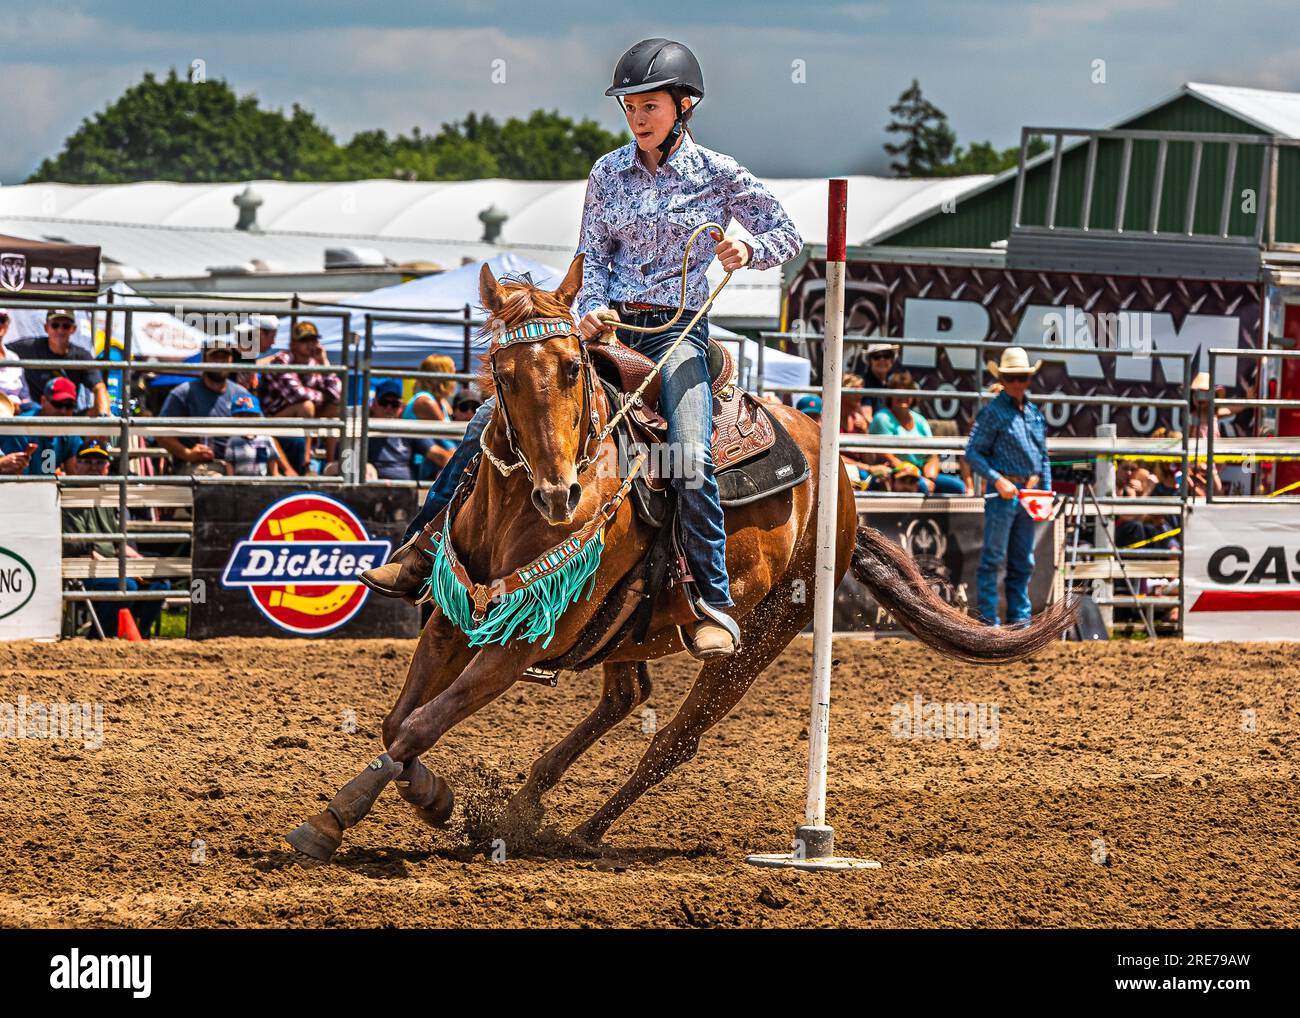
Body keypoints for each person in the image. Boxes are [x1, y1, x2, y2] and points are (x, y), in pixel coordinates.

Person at [363, 38, 802, 659]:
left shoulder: (719, 175)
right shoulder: (607, 172)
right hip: (609, 332)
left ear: (683, 106)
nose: (637, 118)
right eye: (630, 107)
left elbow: (786, 231)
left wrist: (748, 250)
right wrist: (590, 305)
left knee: (688, 454)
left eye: (649, 105)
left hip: (678, 333)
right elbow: (592, 255)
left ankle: (712, 601)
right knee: (491, 420)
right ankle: (419, 552)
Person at [965, 347, 1051, 627]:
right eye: (1012, 378)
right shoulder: (993, 413)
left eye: (1022, 378)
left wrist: (1046, 492)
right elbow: (973, 452)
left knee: (1022, 561)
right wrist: (998, 479)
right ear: (1002, 379)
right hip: (1006, 493)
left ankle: (1019, 622)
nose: (1018, 383)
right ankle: (991, 623)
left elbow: (1043, 456)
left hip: (1028, 494)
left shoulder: (1033, 413)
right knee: (994, 559)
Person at [62, 439, 166, 639]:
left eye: (100, 462)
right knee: (126, 585)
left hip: (110, 564)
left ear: (108, 466)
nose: (94, 467)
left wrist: (139, 562)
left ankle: (136, 638)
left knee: (159, 583)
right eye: (88, 461)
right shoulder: (70, 493)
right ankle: (99, 638)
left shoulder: (108, 495)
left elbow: (119, 542)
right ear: (76, 464)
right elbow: (79, 548)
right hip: (83, 566)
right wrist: (120, 567)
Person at [155, 336, 253, 474]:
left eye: (224, 357)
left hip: (240, 464)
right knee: (213, 480)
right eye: (215, 356)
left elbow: (262, 433)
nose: (220, 362)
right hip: (199, 465)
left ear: (231, 360)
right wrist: (188, 453)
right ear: (204, 359)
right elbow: (161, 434)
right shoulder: (183, 393)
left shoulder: (242, 394)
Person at [259, 320, 341, 465]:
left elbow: (336, 395)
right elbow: (298, 394)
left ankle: (330, 465)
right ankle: (306, 462)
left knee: (335, 408)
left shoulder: (315, 363)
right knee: (306, 406)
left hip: (302, 417)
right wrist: (323, 396)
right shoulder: (280, 361)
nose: (311, 345)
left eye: (314, 340)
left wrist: (324, 362)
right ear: (293, 344)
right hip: (273, 419)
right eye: (304, 340)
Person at [868, 371, 965, 494]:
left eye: (908, 392)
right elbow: (886, 455)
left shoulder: (920, 420)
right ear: (890, 395)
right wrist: (920, 477)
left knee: (957, 487)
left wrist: (930, 476)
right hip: (895, 473)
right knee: (923, 487)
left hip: (919, 473)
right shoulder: (882, 418)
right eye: (898, 392)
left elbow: (932, 455)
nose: (903, 396)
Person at [8, 309, 109, 416]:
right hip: (35, 416)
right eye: (55, 325)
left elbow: (99, 387)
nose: (60, 330)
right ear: (46, 328)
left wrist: (103, 416)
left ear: (73, 329)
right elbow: (3, 353)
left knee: (97, 415)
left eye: (66, 326)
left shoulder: (81, 356)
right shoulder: (28, 347)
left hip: (67, 415)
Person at [0, 377, 83, 476]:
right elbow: (16, 479)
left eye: (69, 406)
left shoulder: (70, 433)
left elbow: (74, 475)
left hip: (44, 489)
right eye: (57, 404)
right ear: (43, 401)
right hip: (19, 489)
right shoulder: (21, 428)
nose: (63, 411)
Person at [404, 354, 459, 481]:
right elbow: (446, 437)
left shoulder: (441, 402)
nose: (455, 376)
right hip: (422, 464)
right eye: (452, 371)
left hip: (436, 461)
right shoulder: (425, 402)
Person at [220, 393, 297, 477]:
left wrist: (275, 475)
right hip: (241, 481)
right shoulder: (233, 441)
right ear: (234, 418)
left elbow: (272, 458)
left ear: (257, 416)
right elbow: (229, 462)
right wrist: (232, 480)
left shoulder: (265, 438)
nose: (245, 419)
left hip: (261, 480)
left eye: (250, 415)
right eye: (241, 415)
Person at [0, 308, 31, 408]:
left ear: (7, 325)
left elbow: (25, 396)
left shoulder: (13, 358)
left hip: (17, 413)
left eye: (2, 320)